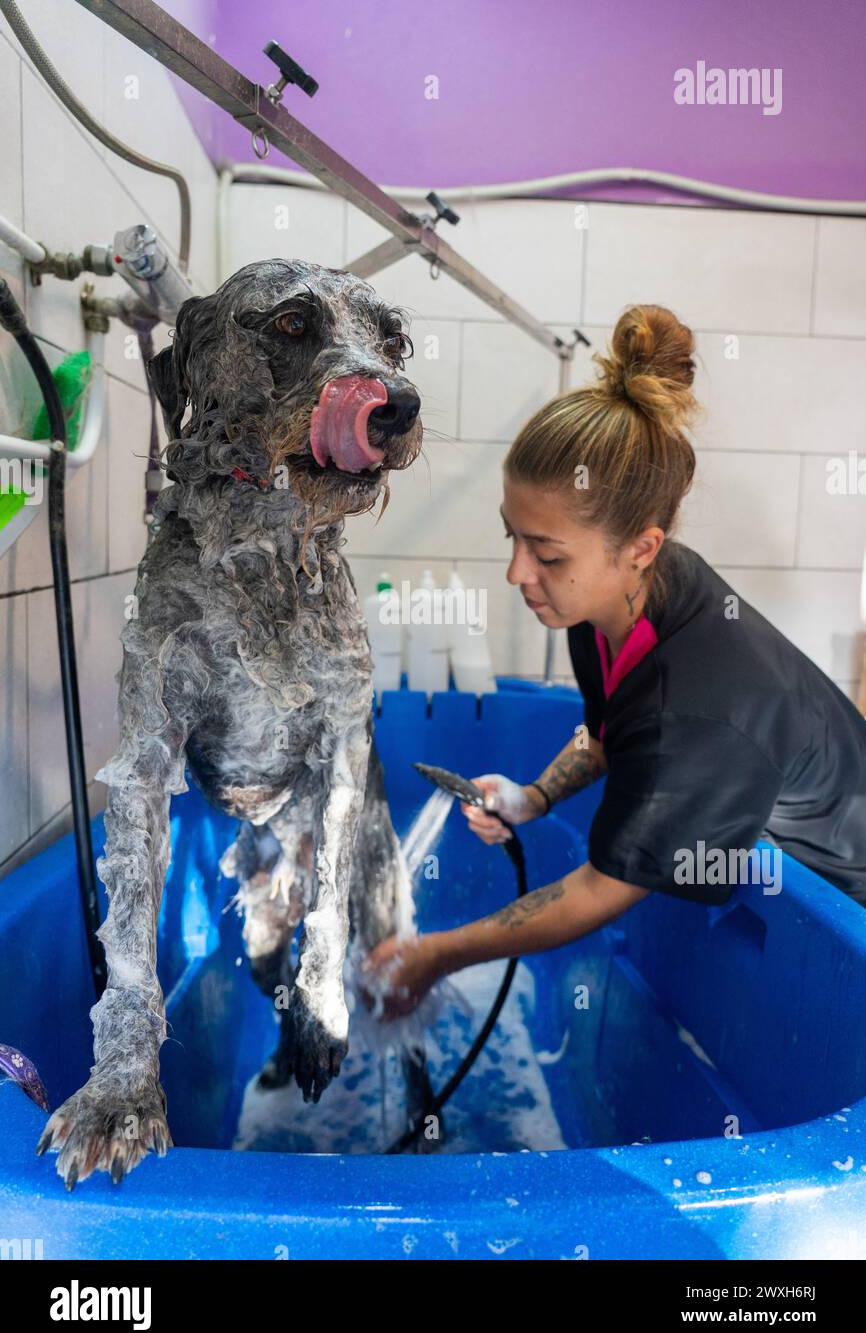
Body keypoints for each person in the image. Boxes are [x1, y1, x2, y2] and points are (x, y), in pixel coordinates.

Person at [359, 304, 866, 1020]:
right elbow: (607, 733)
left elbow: (600, 889)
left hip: (844, 901)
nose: (517, 574)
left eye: (547, 553)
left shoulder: (697, 699)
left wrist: (429, 958)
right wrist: (533, 798)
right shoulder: (611, 604)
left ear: (643, 548)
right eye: (515, 537)